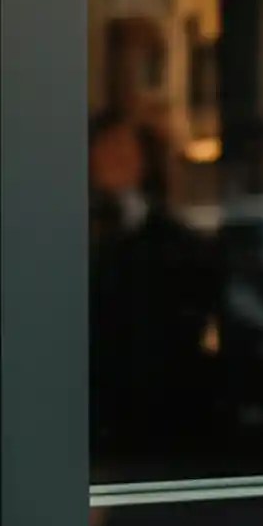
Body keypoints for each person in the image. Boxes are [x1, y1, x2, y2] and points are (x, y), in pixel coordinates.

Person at [88, 112, 224, 470]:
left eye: (125, 150)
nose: (114, 160)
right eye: (105, 150)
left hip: (153, 418)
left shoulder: (173, 239)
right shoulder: (65, 226)